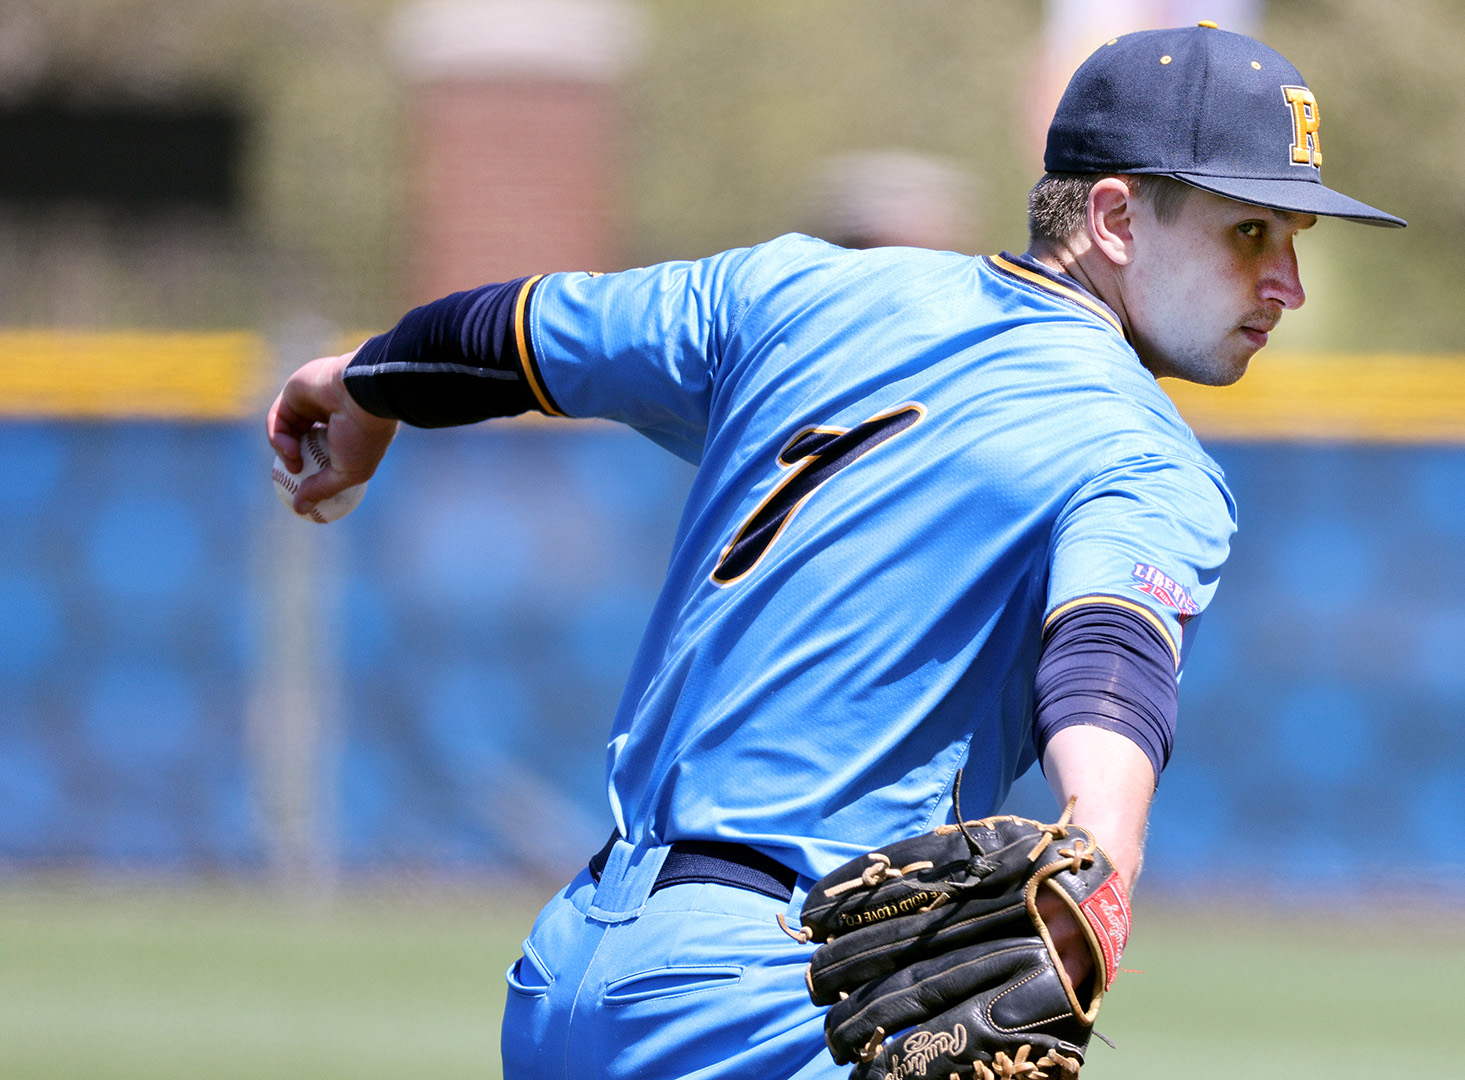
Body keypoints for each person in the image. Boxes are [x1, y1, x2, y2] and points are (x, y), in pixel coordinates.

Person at [267, 23, 1400, 1080]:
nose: (1287, 284)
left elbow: (523, 332)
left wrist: (365, 384)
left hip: (571, 971)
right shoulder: (1142, 456)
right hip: (774, 992)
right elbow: (1107, 669)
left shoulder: (794, 289)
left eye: (1293, 240)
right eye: (1250, 231)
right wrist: (1097, 875)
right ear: (1113, 219)